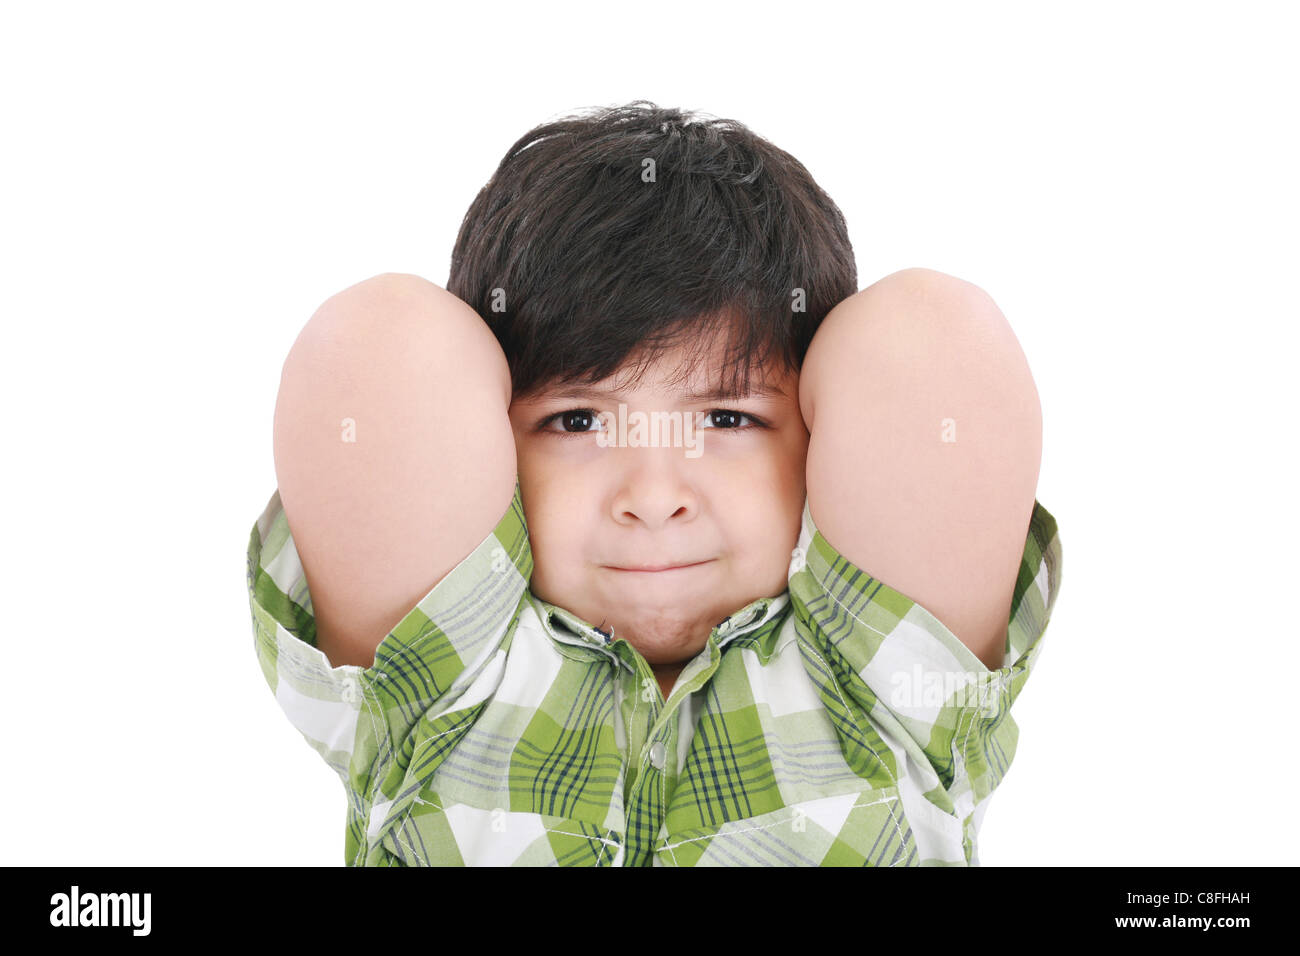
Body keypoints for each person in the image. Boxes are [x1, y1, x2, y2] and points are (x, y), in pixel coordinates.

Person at [246, 100, 1063, 866]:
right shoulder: (434, 694)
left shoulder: (888, 692)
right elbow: (379, 347)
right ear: (488, 434)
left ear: (825, 436)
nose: (653, 494)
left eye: (727, 419)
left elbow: (932, 339)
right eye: (577, 422)